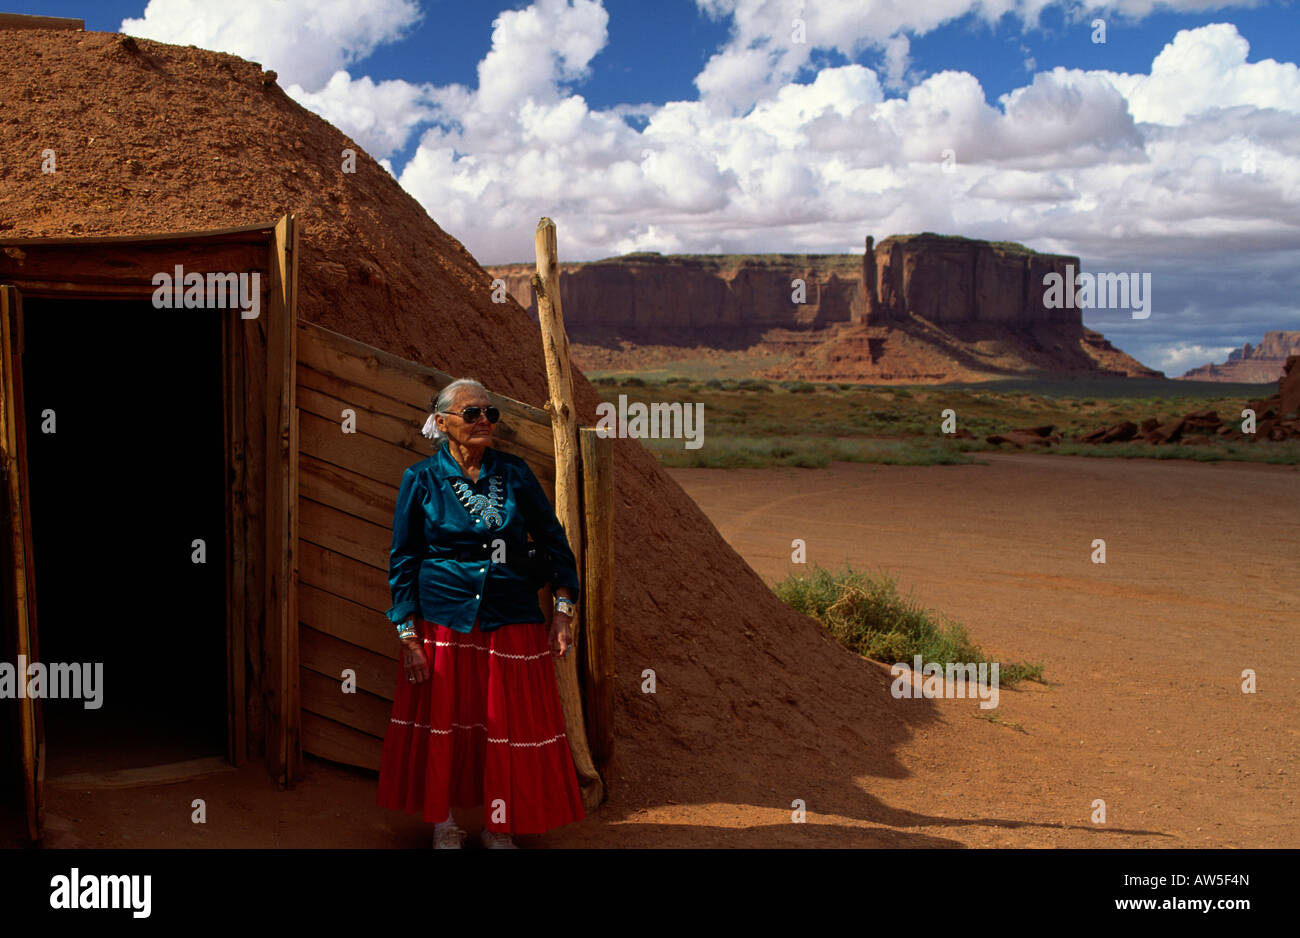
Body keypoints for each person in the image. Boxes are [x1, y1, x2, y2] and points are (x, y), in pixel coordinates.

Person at [375, 378, 585, 848]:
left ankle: (499, 824)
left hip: (510, 615)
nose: (484, 422)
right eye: (472, 414)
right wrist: (407, 634)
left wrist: (563, 609)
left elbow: (553, 542)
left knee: (504, 725)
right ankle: (444, 822)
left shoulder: (514, 474)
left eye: (490, 414)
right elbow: (404, 557)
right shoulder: (421, 480)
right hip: (442, 617)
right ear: (444, 422)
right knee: (444, 721)